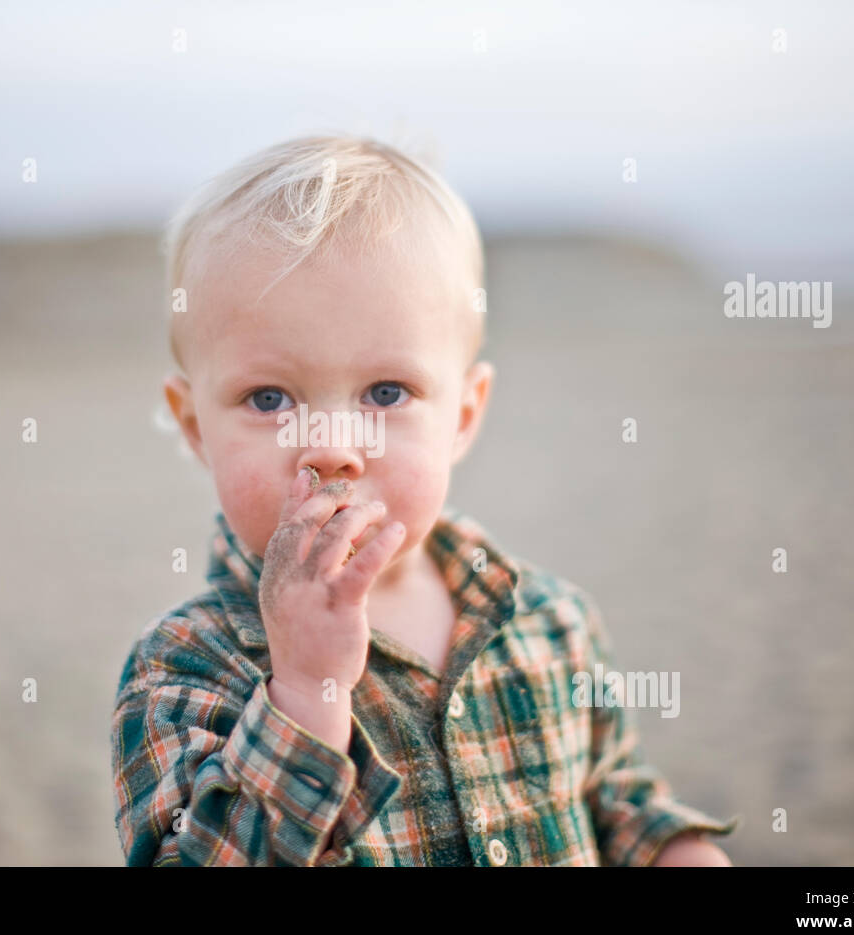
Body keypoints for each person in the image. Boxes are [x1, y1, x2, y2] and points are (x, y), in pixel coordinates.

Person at [111, 133, 740, 865]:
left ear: (463, 416)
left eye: (386, 393)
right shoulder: (186, 666)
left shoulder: (548, 621)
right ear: (195, 427)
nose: (332, 443)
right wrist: (306, 696)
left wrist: (674, 850)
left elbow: (612, 796)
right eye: (270, 397)